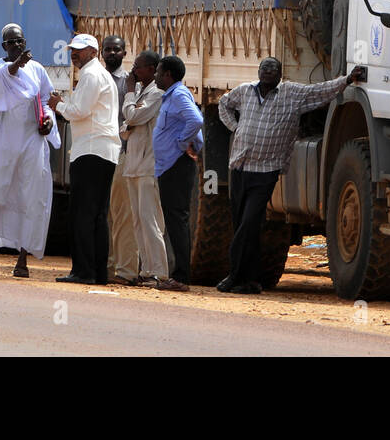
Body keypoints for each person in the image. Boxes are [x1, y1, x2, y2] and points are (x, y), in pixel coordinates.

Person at [217, 57, 366, 293]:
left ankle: (235, 276)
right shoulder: (245, 91)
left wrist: (346, 80)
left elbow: (321, 91)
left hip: (266, 170)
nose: (268, 72)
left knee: (249, 223)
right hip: (239, 167)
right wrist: (235, 127)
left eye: (273, 69)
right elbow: (223, 103)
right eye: (265, 69)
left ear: (280, 74)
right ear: (259, 71)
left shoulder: (292, 93)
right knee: (243, 225)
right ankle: (252, 281)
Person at [0, 24, 61, 278]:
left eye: (20, 41)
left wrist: (48, 120)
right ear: (4, 47)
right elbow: (5, 76)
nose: (17, 46)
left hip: (31, 141)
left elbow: (46, 99)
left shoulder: (38, 69)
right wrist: (17, 64)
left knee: (30, 197)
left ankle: (22, 261)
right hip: (2, 141)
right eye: (11, 43)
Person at [48, 33, 119, 285]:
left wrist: (57, 105)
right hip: (103, 151)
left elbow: (78, 111)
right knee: (97, 215)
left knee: (82, 214)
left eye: (80, 49)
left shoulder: (91, 74)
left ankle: (84, 271)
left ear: (93, 51)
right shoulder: (101, 75)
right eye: (72, 49)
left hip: (90, 150)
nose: (74, 53)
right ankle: (97, 273)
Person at [151, 55, 204, 292]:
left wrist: (183, 144)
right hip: (170, 165)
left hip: (176, 165)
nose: (155, 76)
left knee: (177, 221)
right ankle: (179, 274)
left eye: (158, 72)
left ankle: (181, 277)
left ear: (168, 75)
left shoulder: (179, 94)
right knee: (174, 221)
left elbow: (195, 119)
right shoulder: (174, 95)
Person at [117, 50, 167, 286]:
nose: (133, 71)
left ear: (151, 69)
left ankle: (158, 271)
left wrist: (128, 95)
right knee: (137, 220)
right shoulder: (139, 92)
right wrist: (131, 112)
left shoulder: (156, 93)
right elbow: (126, 124)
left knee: (150, 220)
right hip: (133, 163)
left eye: (138, 67)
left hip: (149, 165)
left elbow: (132, 117)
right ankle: (146, 270)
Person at [101, 35, 138, 285]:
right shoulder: (96, 78)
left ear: (125, 53)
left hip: (121, 154)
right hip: (100, 155)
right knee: (105, 215)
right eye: (108, 49)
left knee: (123, 215)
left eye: (117, 49)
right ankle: (109, 267)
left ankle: (125, 270)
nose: (112, 53)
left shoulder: (128, 83)